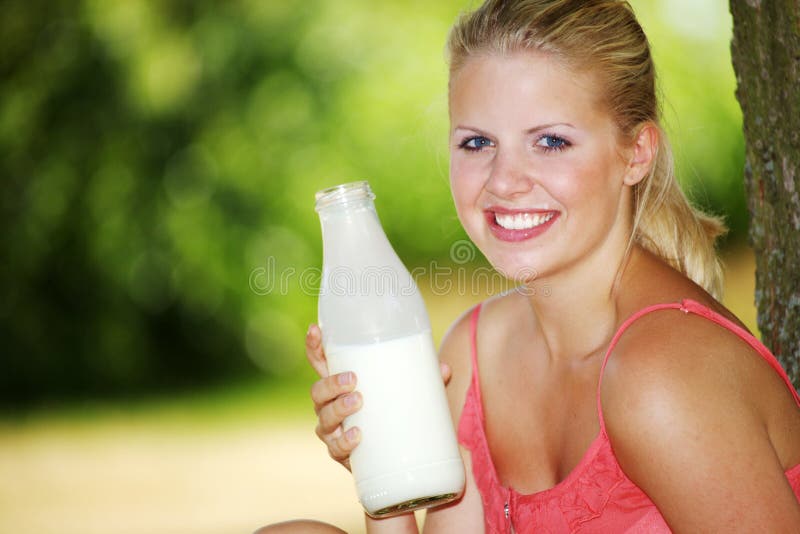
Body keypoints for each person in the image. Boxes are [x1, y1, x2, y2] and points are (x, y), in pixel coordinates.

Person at [257, 0, 800, 532]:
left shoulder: (663, 376)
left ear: (635, 153)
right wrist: (382, 459)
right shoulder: (475, 353)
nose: (504, 180)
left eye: (550, 142)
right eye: (477, 143)